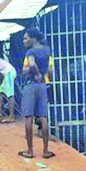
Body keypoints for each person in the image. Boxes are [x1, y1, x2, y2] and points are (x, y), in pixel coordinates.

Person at [19, 27, 54, 159]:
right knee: (43, 117)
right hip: (43, 85)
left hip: (31, 84)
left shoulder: (30, 52)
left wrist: (36, 73)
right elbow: (51, 70)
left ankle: (30, 150)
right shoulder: (47, 50)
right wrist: (43, 75)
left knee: (29, 117)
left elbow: (31, 66)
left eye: (26, 38)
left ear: (33, 39)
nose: (24, 41)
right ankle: (45, 150)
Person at [0, 57, 17, 122]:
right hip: (6, 74)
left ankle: (11, 116)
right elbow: (0, 75)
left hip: (9, 72)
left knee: (10, 94)